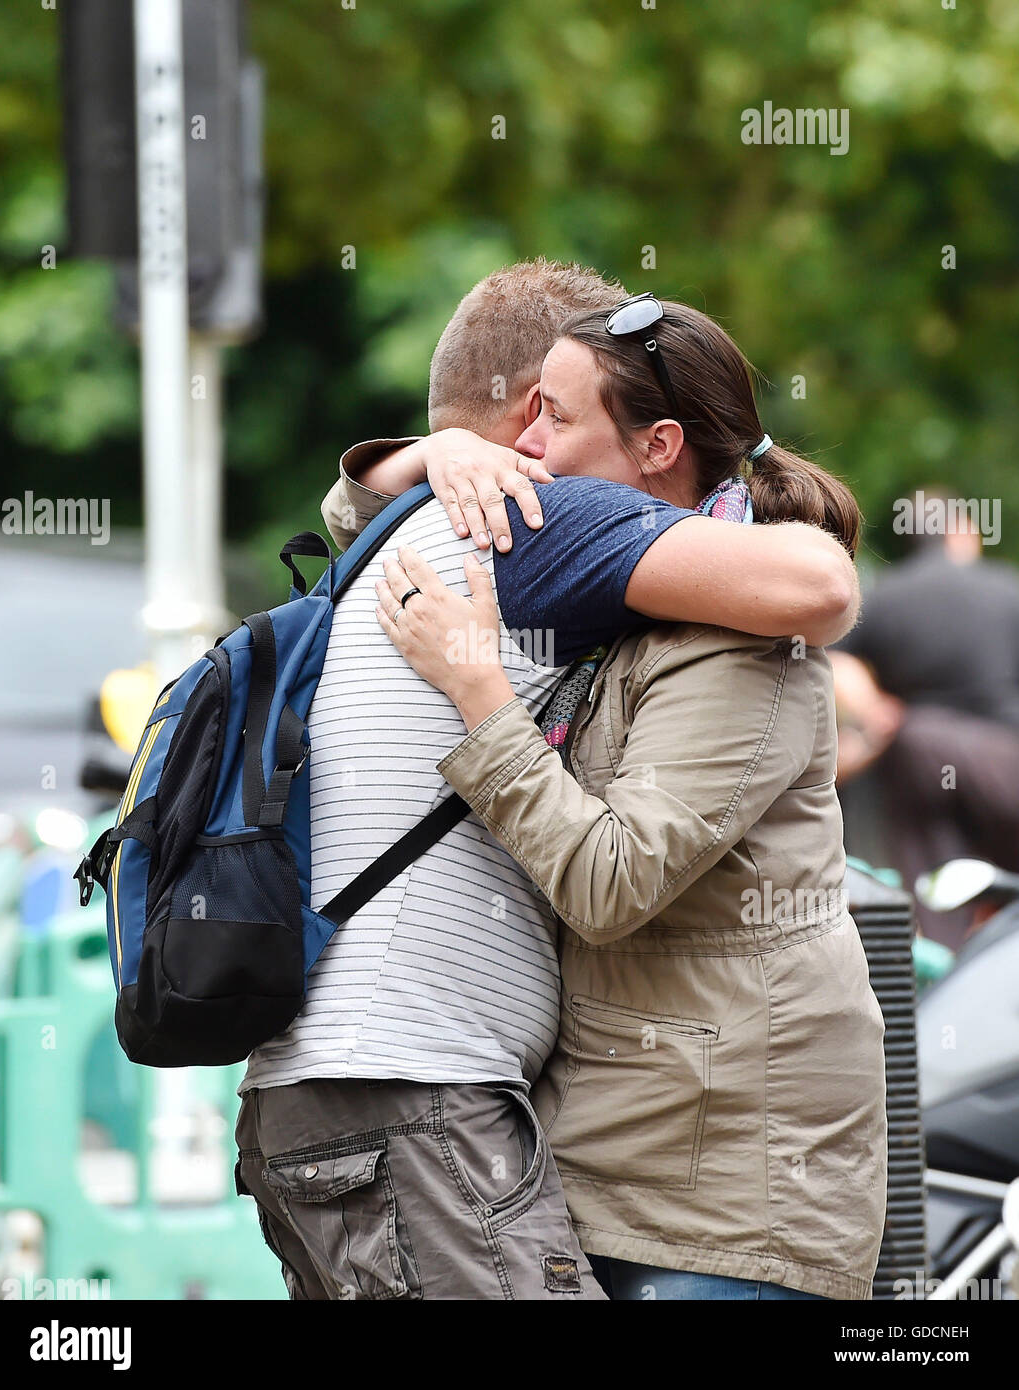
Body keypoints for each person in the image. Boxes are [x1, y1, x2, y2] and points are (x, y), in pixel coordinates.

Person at [235, 263, 861, 1300]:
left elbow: (821, 585)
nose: (528, 448)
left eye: (553, 419)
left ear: (656, 443)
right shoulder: (532, 520)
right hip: (433, 1093)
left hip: (666, 1177)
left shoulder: (508, 528)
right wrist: (441, 462)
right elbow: (824, 581)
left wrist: (429, 462)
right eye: (523, 418)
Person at [832, 502, 1019, 948]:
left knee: (938, 886)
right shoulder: (1006, 588)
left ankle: (943, 968)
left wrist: (877, 713)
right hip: (1006, 763)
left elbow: (836, 663)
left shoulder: (884, 595)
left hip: (920, 756)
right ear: (960, 531)